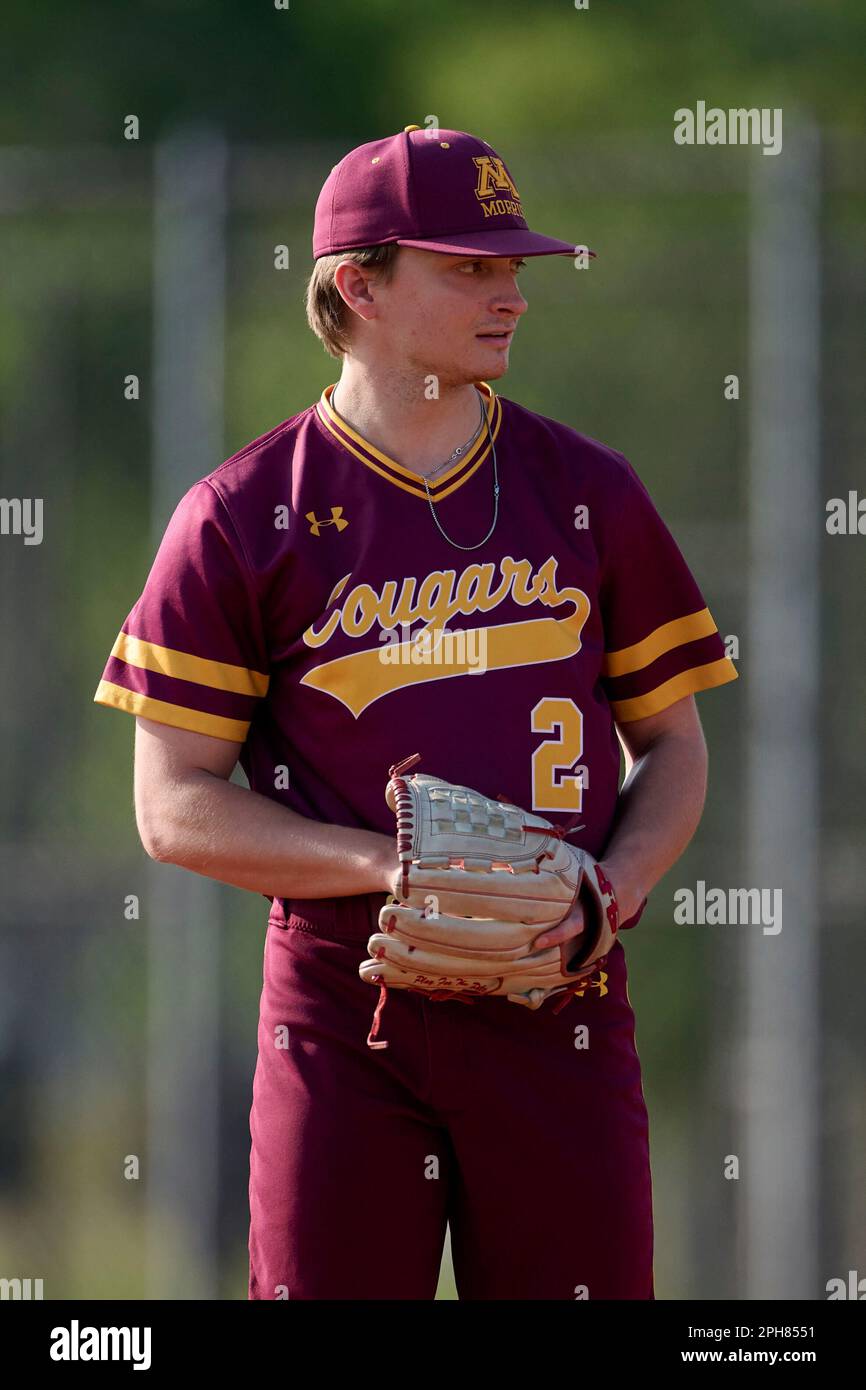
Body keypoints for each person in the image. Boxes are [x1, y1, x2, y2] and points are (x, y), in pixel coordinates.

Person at [94, 124, 738, 1300]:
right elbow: (171, 806)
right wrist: (395, 869)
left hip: (561, 998)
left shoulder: (584, 491)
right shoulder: (245, 516)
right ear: (358, 285)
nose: (510, 296)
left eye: (513, 269)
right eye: (469, 267)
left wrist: (615, 885)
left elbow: (674, 748)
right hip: (348, 1014)